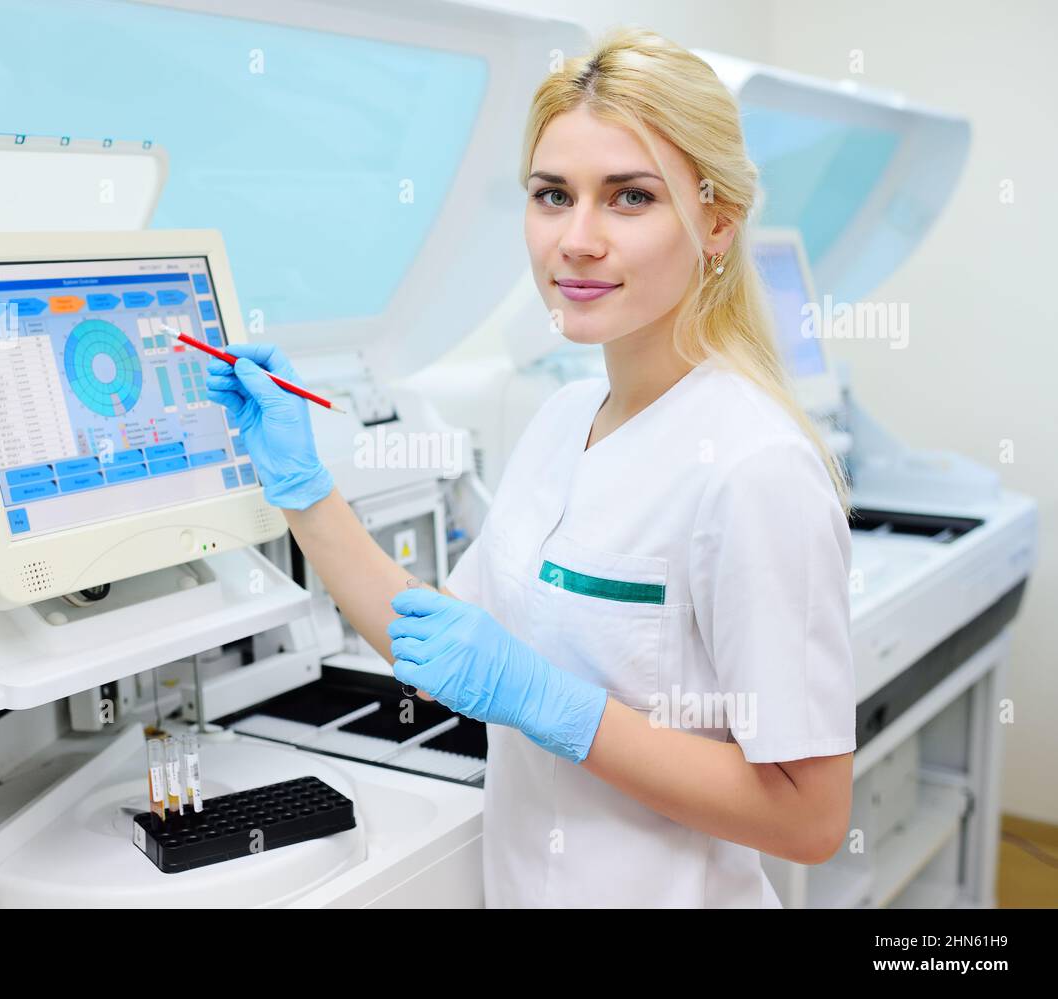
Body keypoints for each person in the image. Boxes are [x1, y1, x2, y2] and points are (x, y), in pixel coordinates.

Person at [205, 27, 855, 908]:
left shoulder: (754, 466)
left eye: (629, 197)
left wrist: (558, 707)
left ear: (715, 220)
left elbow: (810, 817)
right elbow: (431, 641)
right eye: (553, 195)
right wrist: (306, 489)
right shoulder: (560, 422)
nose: (577, 240)